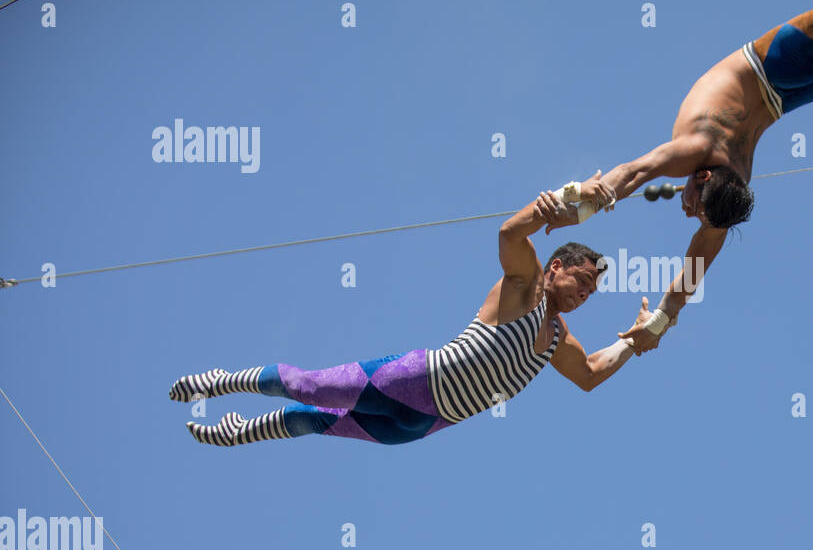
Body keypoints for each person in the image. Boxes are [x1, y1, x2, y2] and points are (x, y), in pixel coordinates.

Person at [549, 0, 813, 353]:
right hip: (778, 66)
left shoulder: (731, 181)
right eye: (695, 210)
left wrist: (581, 205)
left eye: (694, 211)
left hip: (798, 91)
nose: (687, 210)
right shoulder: (697, 150)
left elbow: (684, 256)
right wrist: (580, 204)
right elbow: (633, 175)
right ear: (704, 177)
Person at [169, 174, 650, 446]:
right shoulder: (525, 288)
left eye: (591, 293)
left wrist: (632, 340)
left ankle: (240, 431)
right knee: (309, 385)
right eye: (582, 281)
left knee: (312, 418)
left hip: (423, 424)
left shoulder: (557, 341)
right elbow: (509, 234)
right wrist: (562, 201)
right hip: (415, 379)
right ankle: (221, 381)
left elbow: (588, 374)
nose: (584, 294)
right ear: (555, 268)